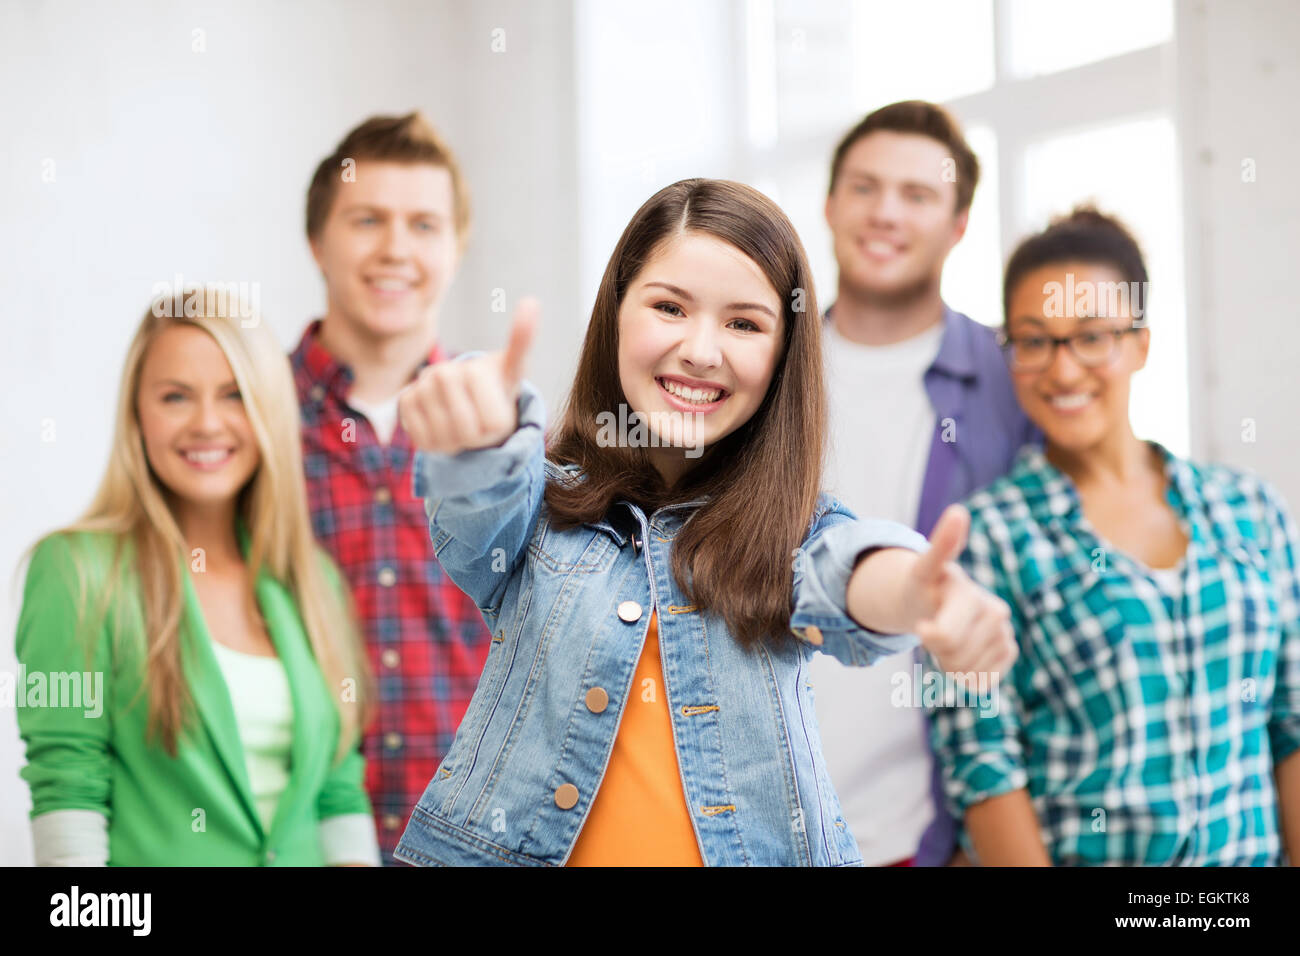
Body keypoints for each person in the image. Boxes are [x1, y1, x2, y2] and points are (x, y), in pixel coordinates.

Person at [390, 178, 1017, 866]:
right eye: (669, 307)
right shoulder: (539, 509)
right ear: (617, 313)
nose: (701, 350)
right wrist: (475, 436)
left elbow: (854, 572)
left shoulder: (791, 535)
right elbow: (478, 501)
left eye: (744, 323)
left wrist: (921, 596)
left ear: (782, 359)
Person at [927, 207, 1300, 865]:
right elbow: (985, 769)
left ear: (1140, 343)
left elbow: (1292, 725)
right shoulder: (987, 540)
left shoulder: (1250, 511)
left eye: (1091, 336)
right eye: (1035, 341)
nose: (1063, 372)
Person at [15, 286, 378, 866]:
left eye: (234, 395)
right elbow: (67, 786)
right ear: (137, 412)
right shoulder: (74, 570)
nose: (207, 423)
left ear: (268, 410)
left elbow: (338, 792)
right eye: (175, 397)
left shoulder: (315, 583)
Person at [813, 100, 1039, 866]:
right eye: (865, 187)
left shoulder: (1014, 382)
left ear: (959, 224)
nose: (884, 213)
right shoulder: (760, 368)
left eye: (917, 195)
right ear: (830, 203)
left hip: (931, 833)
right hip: (754, 817)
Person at [293, 112, 494, 863]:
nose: (395, 249)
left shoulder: (502, 430)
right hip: (290, 835)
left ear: (455, 247)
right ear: (318, 241)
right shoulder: (244, 425)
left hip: (472, 840)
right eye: (366, 220)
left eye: (423, 224)